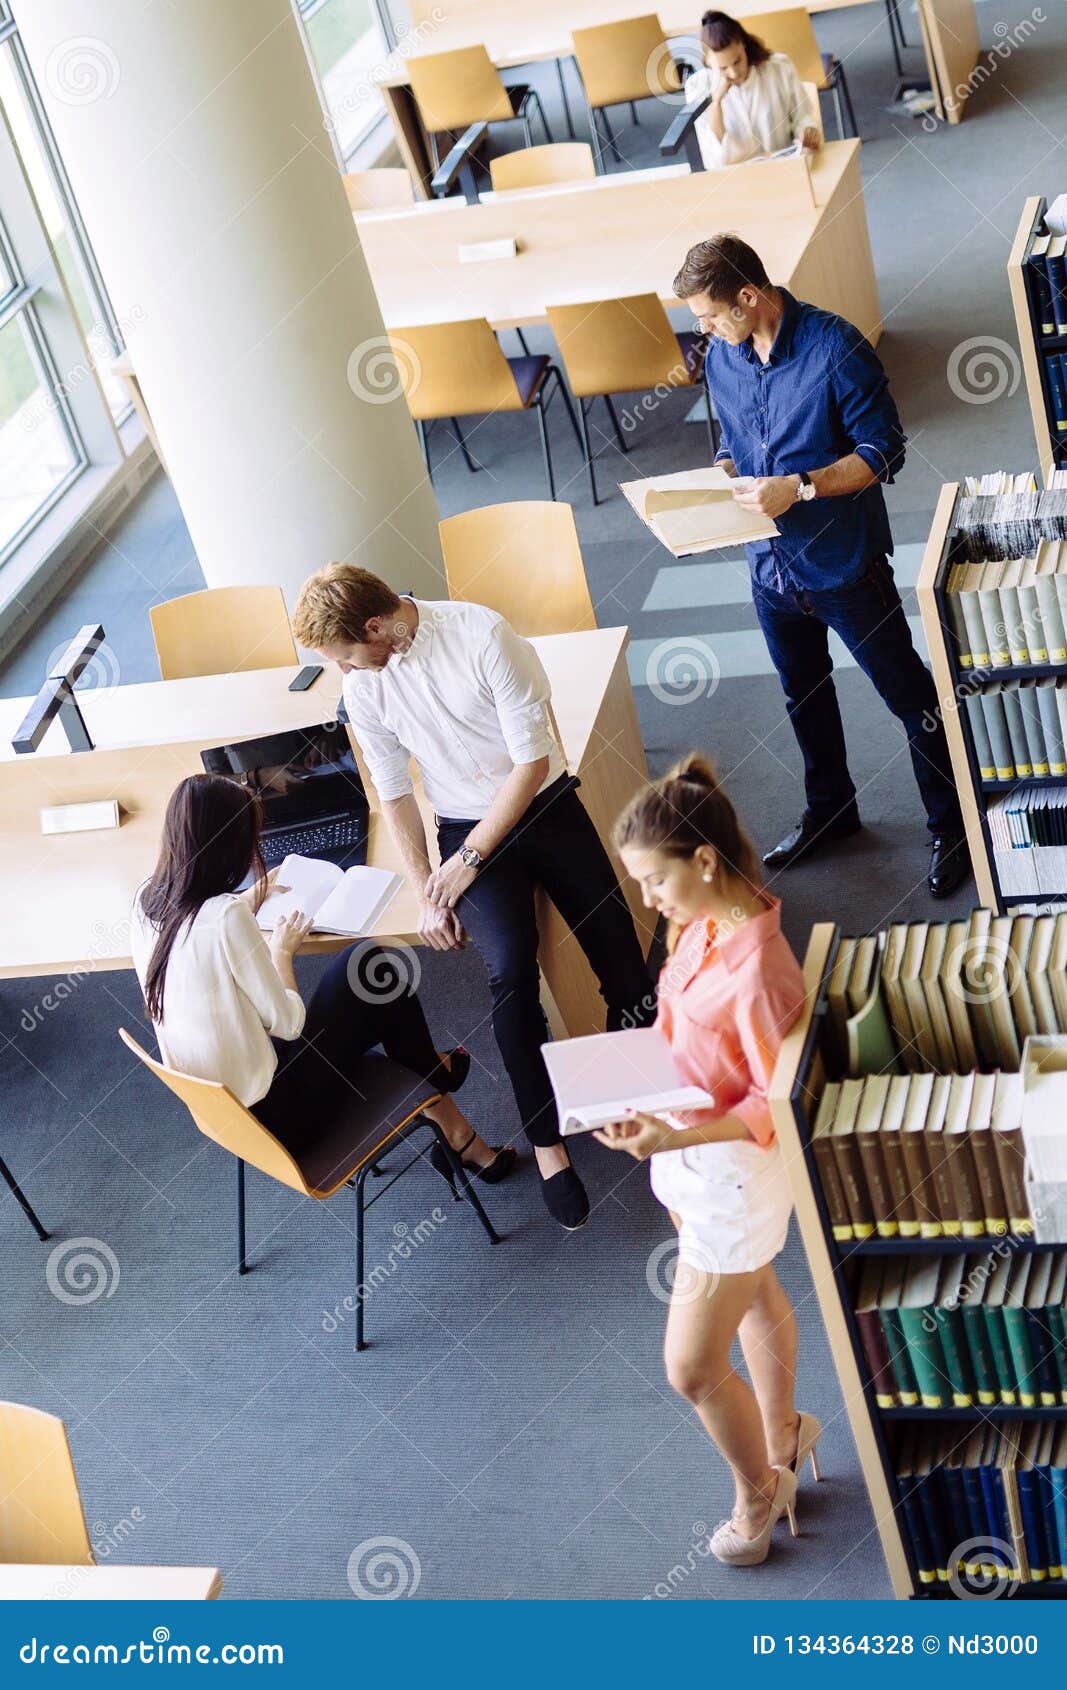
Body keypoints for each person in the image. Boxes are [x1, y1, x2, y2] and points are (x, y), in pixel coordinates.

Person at [291, 565, 655, 1231]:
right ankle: (549, 1148)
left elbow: (531, 764)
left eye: (345, 657)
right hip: (462, 825)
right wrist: (430, 890)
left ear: (375, 628)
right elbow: (393, 791)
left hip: (542, 809)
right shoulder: (367, 685)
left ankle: (642, 1095)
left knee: (621, 958)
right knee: (509, 975)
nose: (345, 672)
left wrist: (467, 861)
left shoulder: (482, 634)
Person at [672, 233, 969, 898]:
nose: (705, 330)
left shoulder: (835, 349)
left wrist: (799, 486)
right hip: (768, 566)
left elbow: (882, 451)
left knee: (909, 697)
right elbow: (730, 436)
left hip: (842, 564)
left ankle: (951, 824)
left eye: (710, 315)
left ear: (747, 296)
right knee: (801, 694)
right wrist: (724, 469)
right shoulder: (722, 353)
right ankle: (830, 811)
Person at [596, 754, 817, 1567]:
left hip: (730, 1172)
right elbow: (673, 1026)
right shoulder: (698, 922)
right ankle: (786, 1431)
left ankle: (760, 1490)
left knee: (689, 1367)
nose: (648, 901)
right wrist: (628, 1085)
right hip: (685, 1146)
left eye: (654, 882)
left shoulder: (757, 968)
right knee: (755, 1295)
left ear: (702, 860)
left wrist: (674, 1135)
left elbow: (772, 1104)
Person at [130, 773, 514, 1190]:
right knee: (370, 964)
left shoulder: (146, 902)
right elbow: (289, 1024)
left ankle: (451, 1120)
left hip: (232, 1121)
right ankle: (434, 1079)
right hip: (287, 1117)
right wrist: (282, 951)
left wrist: (250, 897)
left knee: (370, 988)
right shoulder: (225, 919)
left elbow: (202, 930)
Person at [684, 11, 820, 171]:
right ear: (707, 61)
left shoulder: (779, 68)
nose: (733, 73)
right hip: (736, 179)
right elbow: (714, 159)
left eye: (737, 61)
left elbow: (803, 117)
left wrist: (806, 131)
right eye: (723, 68)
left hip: (785, 169)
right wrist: (716, 103)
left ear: (744, 44)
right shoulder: (697, 86)